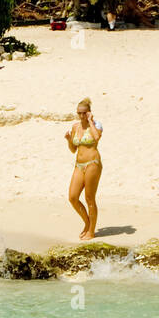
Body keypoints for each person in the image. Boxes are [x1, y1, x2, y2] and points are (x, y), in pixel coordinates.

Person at [65, 98, 103, 240]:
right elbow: (73, 149)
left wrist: (91, 121)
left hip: (93, 163)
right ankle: (87, 223)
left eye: (84, 113)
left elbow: (96, 137)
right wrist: (69, 140)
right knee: (73, 197)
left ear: (89, 113)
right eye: (79, 113)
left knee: (89, 198)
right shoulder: (75, 127)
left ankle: (91, 231)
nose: (81, 116)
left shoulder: (96, 125)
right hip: (79, 165)